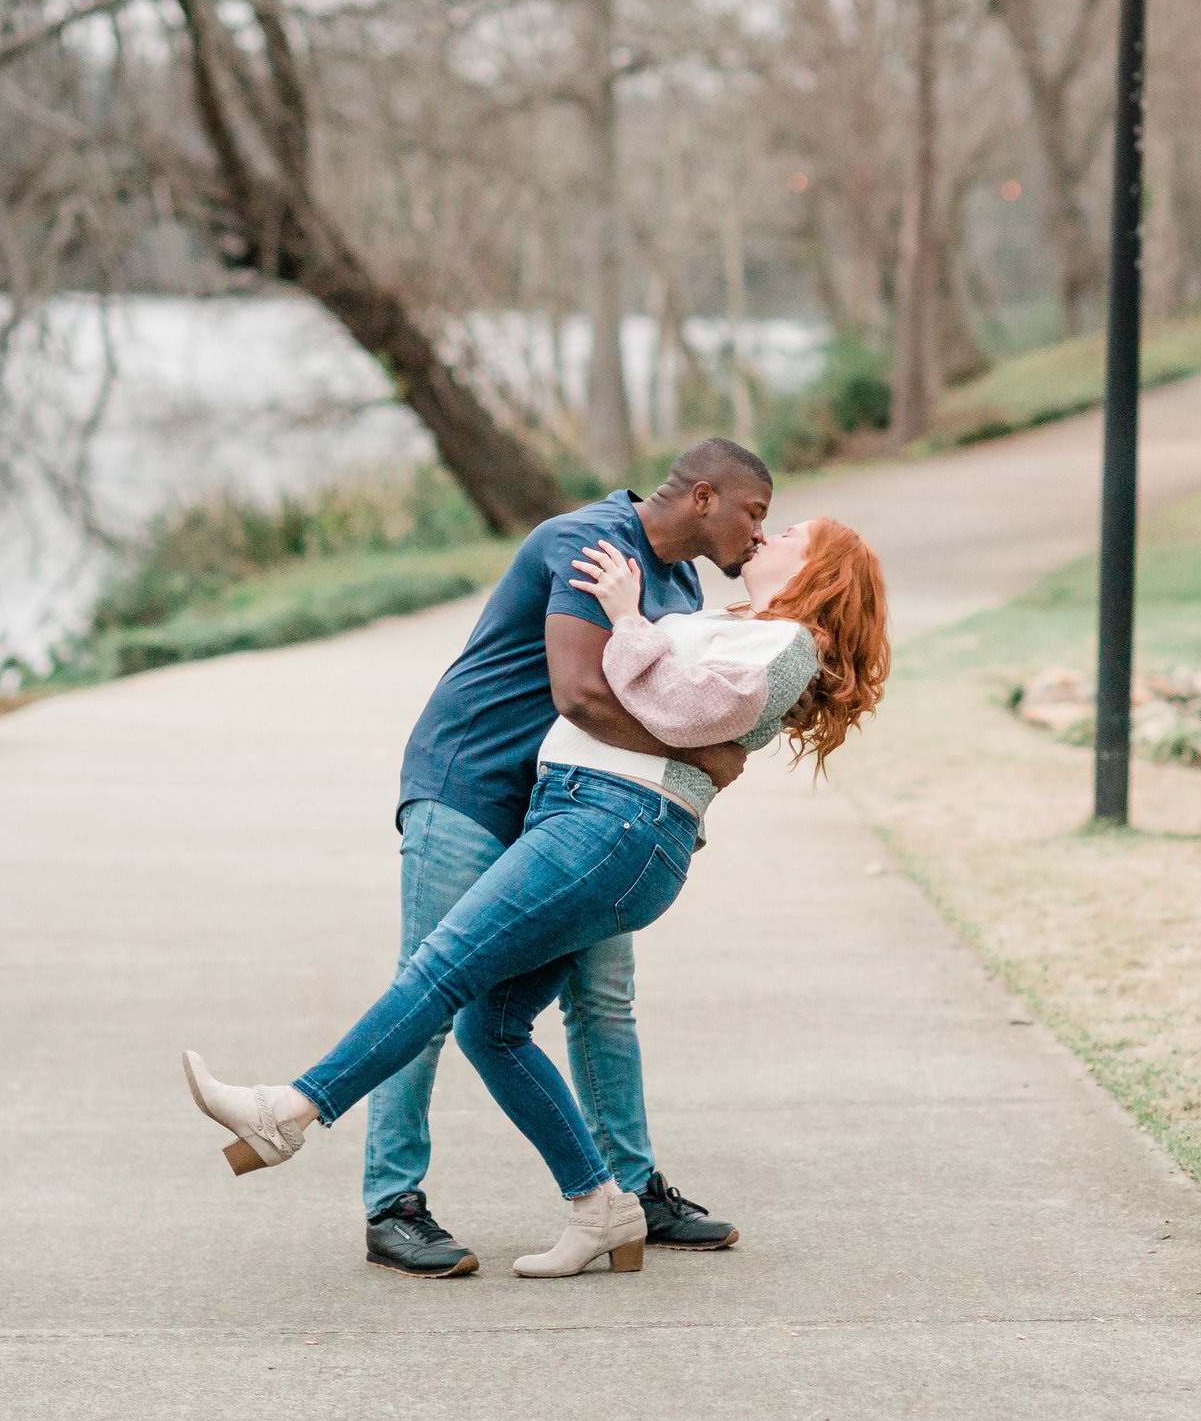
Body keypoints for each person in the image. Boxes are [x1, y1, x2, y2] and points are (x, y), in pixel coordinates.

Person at [182, 510, 889, 1277]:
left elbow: (678, 709)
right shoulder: (736, 626)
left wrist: (627, 617)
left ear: (818, 572)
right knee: (491, 1026)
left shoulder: (787, 646)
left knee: (442, 966)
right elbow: (658, 701)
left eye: (788, 535)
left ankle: (286, 1113)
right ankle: (600, 1205)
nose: (768, 536)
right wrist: (639, 641)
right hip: (588, 815)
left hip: (615, 822)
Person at [369, 440, 772, 1278]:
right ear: (704, 497)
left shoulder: (679, 585)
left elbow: (663, 697)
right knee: (430, 987)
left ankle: (633, 1190)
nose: (760, 535)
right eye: (754, 512)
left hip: (574, 810)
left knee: (603, 998)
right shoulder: (587, 543)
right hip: (472, 783)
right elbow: (582, 694)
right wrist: (700, 760)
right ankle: (392, 1203)